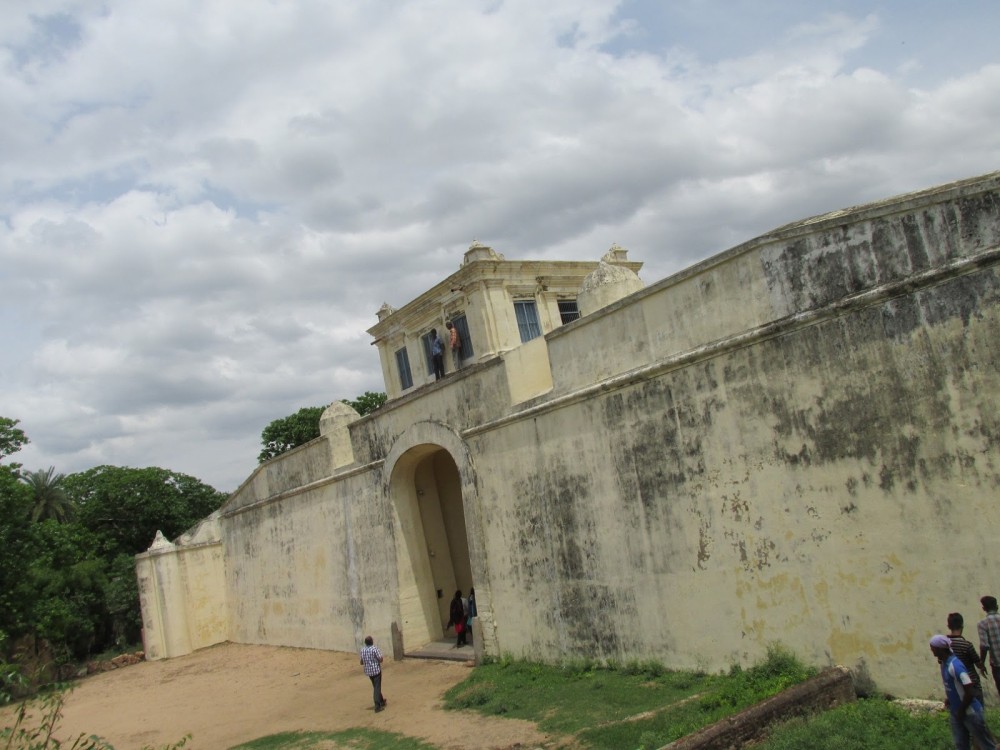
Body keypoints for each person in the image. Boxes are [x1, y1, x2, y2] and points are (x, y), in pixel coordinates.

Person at [930, 634, 997, 749]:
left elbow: (969, 689)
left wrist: (962, 710)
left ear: (940, 649)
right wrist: (950, 699)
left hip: (970, 712)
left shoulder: (955, 665)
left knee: (986, 745)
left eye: (933, 648)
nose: (931, 650)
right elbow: (954, 686)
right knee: (961, 744)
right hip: (957, 712)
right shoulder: (944, 664)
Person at [949, 612, 988, 702]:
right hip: (971, 682)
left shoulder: (945, 645)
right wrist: (982, 666)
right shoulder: (967, 645)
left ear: (949, 626)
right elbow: (978, 663)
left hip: (955, 682)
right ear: (962, 626)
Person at [979, 596, 1000, 698]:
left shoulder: (983, 624)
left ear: (984, 609)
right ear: (997, 606)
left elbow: (984, 646)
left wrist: (981, 664)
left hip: (997, 664)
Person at [359, 635, 386, 712]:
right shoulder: (374, 649)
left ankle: (381, 701)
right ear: (372, 641)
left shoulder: (363, 650)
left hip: (369, 672)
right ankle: (377, 706)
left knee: (376, 686)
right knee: (377, 687)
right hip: (376, 670)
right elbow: (380, 659)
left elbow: (361, 662)